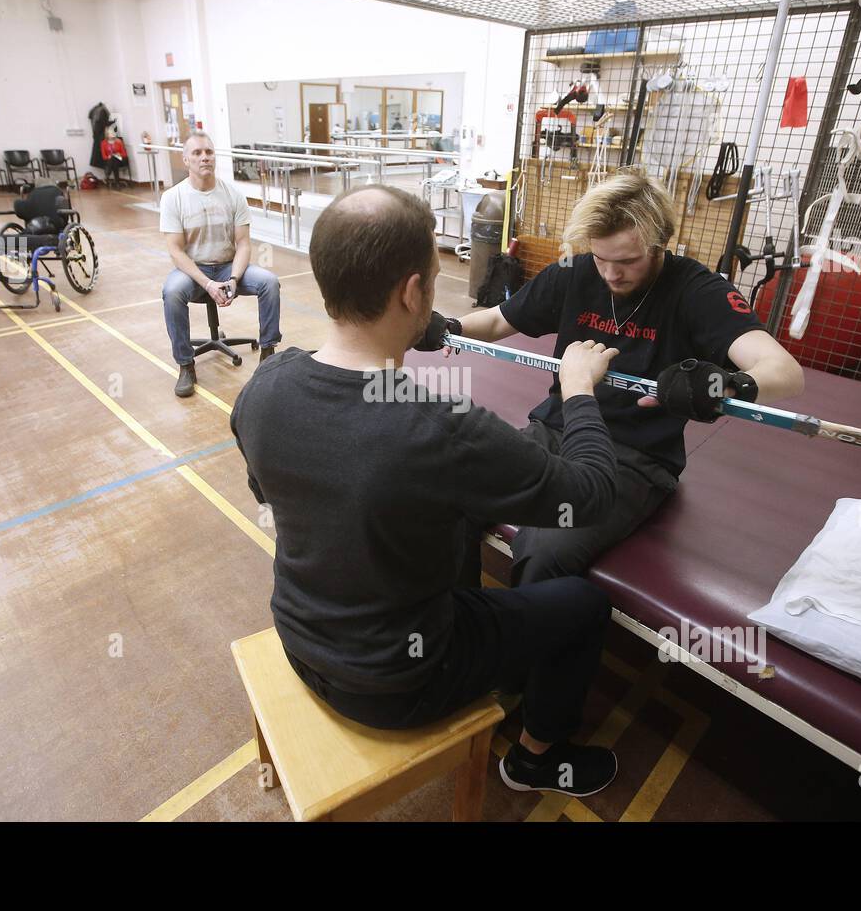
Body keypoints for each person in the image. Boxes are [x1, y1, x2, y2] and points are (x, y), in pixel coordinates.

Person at [232, 185, 627, 797]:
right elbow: (593, 493)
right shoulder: (438, 424)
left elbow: (276, 498)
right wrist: (578, 391)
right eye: (434, 281)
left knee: (450, 531)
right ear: (412, 292)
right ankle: (534, 761)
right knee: (582, 605)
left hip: (301, 642)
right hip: (400, 685)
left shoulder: (265, 386)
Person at [421, 168, 804, 585]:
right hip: (555, 428)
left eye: (627, 261)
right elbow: (497, 321)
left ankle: (524, 643)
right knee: (449, 499)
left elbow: (784, 371)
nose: (610, 274)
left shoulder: (698, 291)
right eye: (601, 258)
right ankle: (458, 629)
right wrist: (450, 327)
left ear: (660, 244)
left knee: (543, 550)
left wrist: (723, 385)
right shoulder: (576, 272)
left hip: (634, 457)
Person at [161, 131, 281, 397]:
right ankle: (185, 364)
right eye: (197, 153)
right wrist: (207, 283)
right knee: (172, 293)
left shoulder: (233, 194)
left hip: (229, 266)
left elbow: (243, 244)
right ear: (186, 160)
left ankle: (268, 354)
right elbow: (175, 251)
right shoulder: (173, 198)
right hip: (194, 270)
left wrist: (234, 279)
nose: (205, 157)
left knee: (269, 282)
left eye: (209, 152)